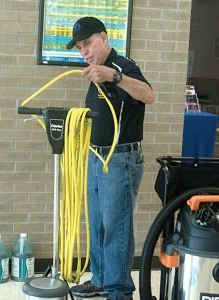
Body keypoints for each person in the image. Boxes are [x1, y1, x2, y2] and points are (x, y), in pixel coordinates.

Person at [66, 17, 155, 300]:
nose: (85, 51)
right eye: (80, 47)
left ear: (104, 38)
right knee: (98, 223)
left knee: (116, 226)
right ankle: (101, 279)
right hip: (96, 158)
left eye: (88, 43)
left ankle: (119, 292)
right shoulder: (94, 72)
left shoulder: (122, 67)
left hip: (120, 160)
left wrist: (114, 77)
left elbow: (149, 95)